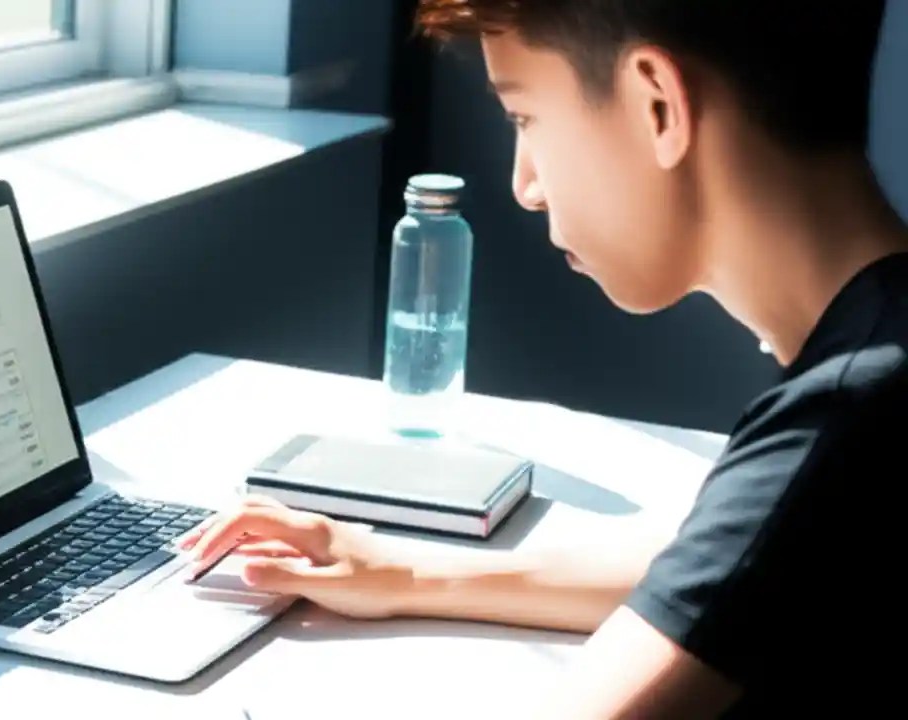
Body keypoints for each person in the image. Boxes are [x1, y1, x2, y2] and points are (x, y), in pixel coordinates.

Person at [178, 1, 904, 717]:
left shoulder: (839, 425)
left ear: (658, 106)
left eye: (524, 118)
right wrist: (401, 568)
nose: (525, 186)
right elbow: (716, 572)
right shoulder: (870, 371)